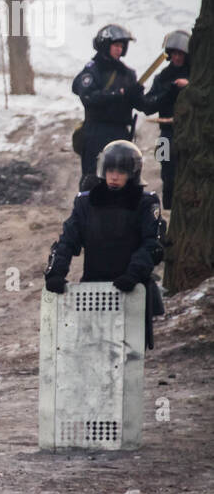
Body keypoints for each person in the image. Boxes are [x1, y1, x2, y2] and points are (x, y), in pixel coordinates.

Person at [44, 140, 165, 348]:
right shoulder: (86, 202)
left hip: (131, 287)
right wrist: (55, 272)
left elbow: (152, 245)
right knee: (92, 351)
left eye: (121, 171)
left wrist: (133, 274)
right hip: (94, 286)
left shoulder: (145, 203)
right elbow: (67, 240)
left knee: (128, 357)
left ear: (132, 173)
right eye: (110, 170)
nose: (114, 176)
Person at [72, 24, 150, 192]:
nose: (119, 50)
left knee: (123, 177)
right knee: (94, 179)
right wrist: (120, 93)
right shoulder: (93, 70)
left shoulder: (127, 73)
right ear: (105, 45)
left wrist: (139, 94)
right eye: (116, 45)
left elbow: (144, 105)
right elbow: (88, 97)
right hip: (96, 132)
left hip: (121, 133)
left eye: (122, 46)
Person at [141, 30, 191, 210]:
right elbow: (148, 106)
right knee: (167, 178)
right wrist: (169, 92)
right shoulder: (162, 78)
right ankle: (169, 212)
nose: (177, 57)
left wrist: (189, 87)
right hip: (165, 135)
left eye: (181, 54)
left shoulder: (195, 76)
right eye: (175, 53)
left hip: (191, 134)